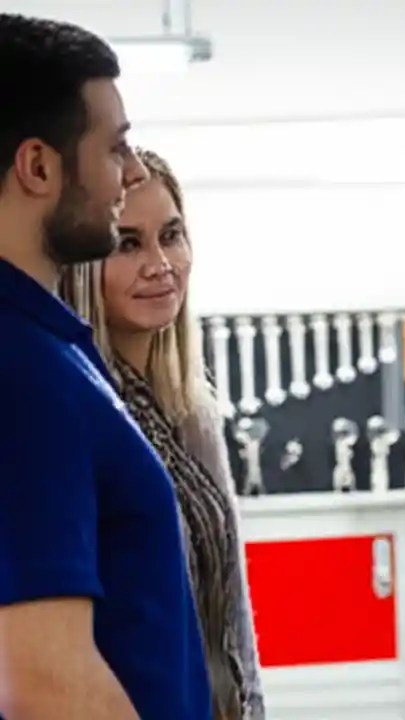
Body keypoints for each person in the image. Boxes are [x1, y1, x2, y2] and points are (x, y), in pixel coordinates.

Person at [0, 13, 212, 720]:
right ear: (38, 167)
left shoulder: (53, 349)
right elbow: (45, 683)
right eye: (115, 147)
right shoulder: (20, 370)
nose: (133, 172)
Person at [58, 148, 266, 720]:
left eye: (171, 236)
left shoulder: (191, 414)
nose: (160, 264)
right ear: (83, 264)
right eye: (127, 244)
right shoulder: (78, 410)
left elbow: (234, 613)